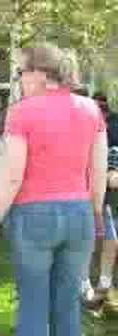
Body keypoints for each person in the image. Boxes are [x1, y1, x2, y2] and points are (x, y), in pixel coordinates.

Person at [0, 43, 107, 336]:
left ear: (40, 74)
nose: (19, 79)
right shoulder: (91, 110)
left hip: (34, 219)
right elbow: (98, 171)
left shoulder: (22, 113)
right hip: (79, 216)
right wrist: (96, 214)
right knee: (67, 306)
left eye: (21, 72)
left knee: (34, 305)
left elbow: (11, 176)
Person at [82, 93, 118, 302]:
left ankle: (104, 281)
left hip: (109, 198)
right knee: (86, 239)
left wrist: (109, 175)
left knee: (111, 237)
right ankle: (84, 281)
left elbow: (113, 175)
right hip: (84, 194)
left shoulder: (113, 134)